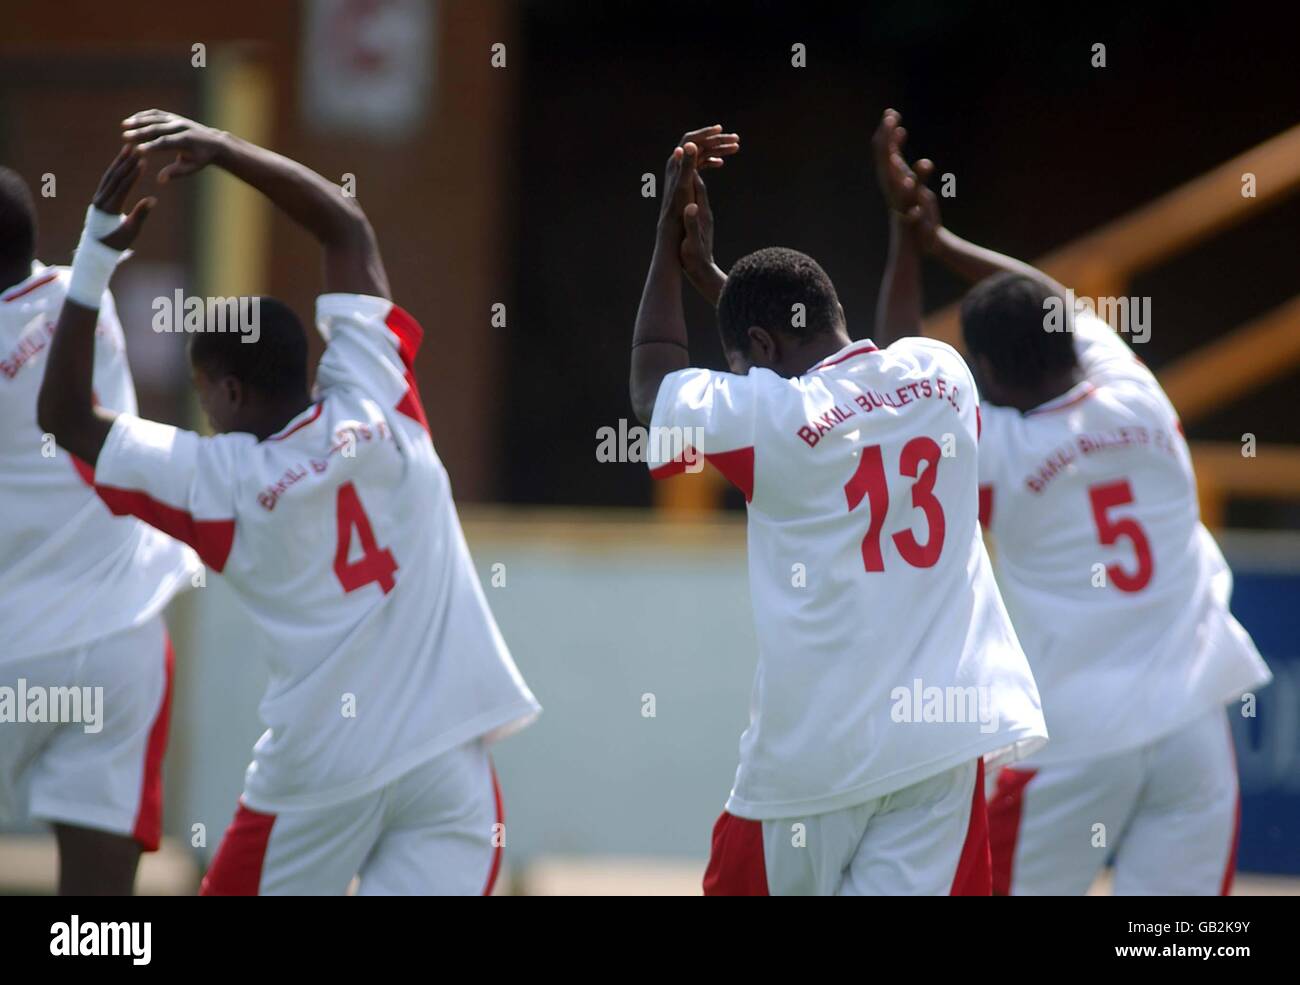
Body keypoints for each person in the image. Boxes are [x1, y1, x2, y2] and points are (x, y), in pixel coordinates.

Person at [39, 114, 540, 895]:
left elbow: (66, 417)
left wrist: (95, 255)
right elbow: (346, 227)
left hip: (321, 772)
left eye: (204, 392)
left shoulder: (221, 480)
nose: (203, 410)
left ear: (229, 389)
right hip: (450, 759)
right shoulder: (380, 398)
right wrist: (224, 146)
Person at [629, 123, 1046, 895]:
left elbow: (654, 389)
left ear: (758, 345)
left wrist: (666, 243)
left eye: (741, 357)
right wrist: (729, 283)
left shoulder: (771, 421)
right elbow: (866, 363)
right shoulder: (943, 378)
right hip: (940, 747)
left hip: (811, 763)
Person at [876, 109, 1271, 895]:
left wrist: (905, 245)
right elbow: (1055, 298)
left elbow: (900, 378)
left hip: (1070, 743)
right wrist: (947, 244)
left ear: (984, 366)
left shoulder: (998, 454)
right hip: (1193, 718)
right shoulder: (1138, 396)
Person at [0, 163, 199, 895]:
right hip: (122, 637)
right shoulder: (85, 304)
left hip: (11, 652)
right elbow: (70, 289)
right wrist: (97, 245)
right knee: (99, 914)